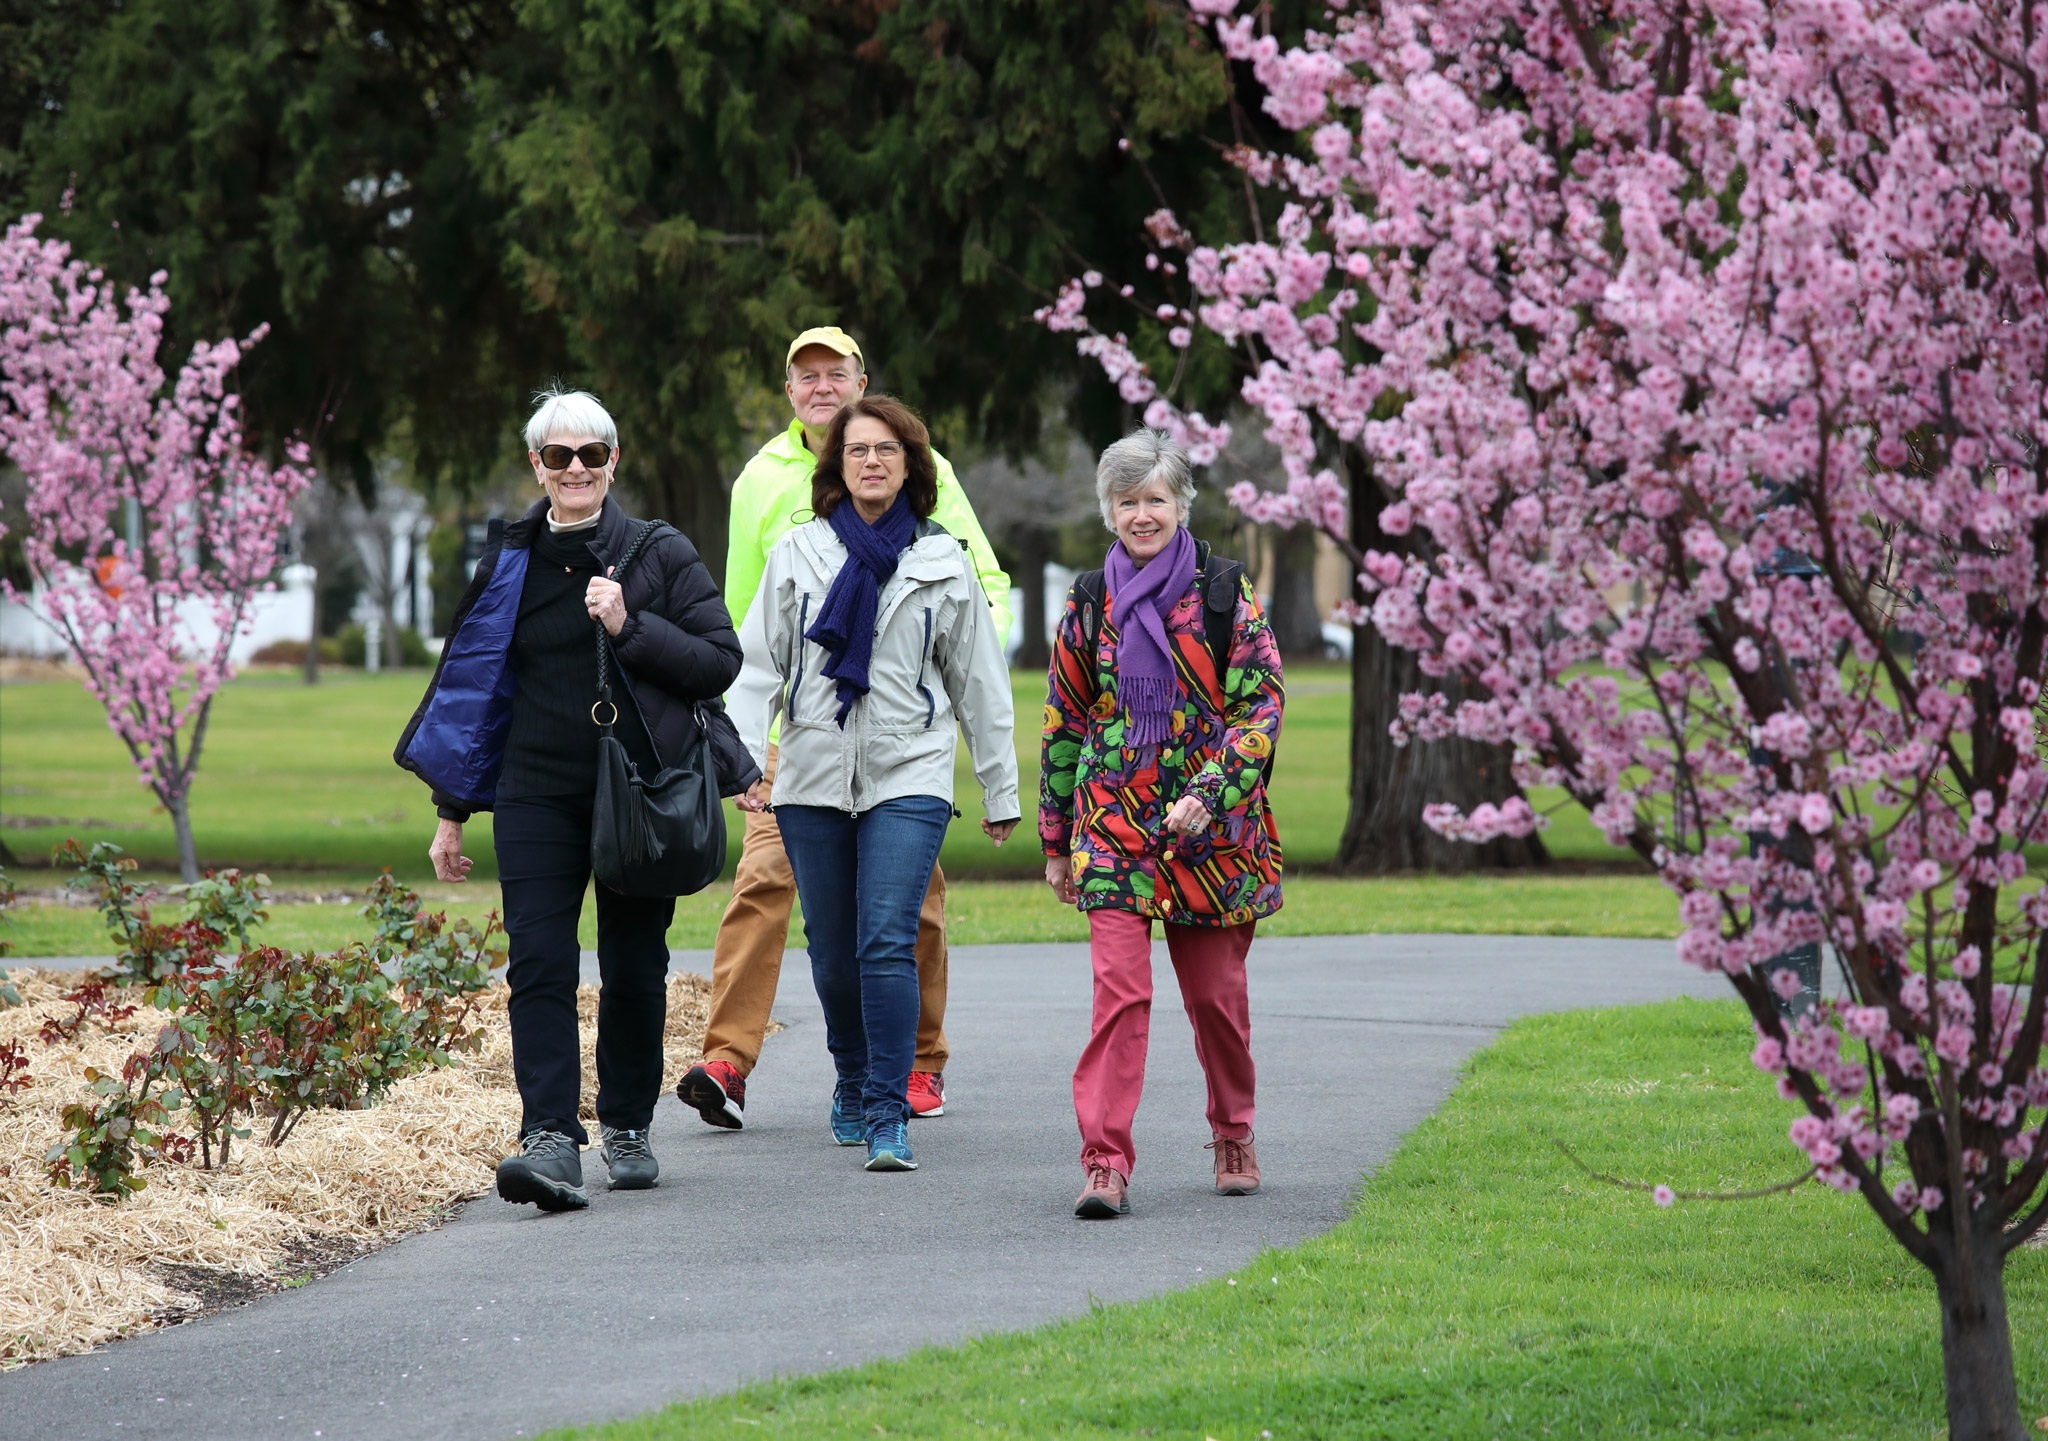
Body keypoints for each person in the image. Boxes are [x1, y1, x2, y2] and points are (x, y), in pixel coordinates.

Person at [395, 387, 755, 1212]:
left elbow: (718, 660)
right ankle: (551, 1137)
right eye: (558, 455)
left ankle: (627, 1123)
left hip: (637, 788)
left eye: (591, 454)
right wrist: (451, 810)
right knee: (540, 962)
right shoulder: (511, 558)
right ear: (537, 465)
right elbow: (476, 686)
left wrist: (629, 625)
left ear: (612, 461)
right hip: (535, 789)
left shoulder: (658, 551)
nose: (575, 468)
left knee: (633, 963)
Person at [674, 327, 1012, 1131]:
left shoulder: (921, 474)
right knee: (772, 892)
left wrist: (940, 685)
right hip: (802, 742)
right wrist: (746, 750)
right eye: (807, 376)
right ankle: (734, 1060)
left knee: (904, 912)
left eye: (836, 373)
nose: (821, 387)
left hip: (908, 743)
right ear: (790, 391)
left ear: (862, 383)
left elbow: (980, 591)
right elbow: (747, 627)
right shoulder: (762, 482)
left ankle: (915, 1066)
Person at [1039, 430, 1284, 1219]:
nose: (1141, 514)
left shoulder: (1224, 591)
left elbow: (1261, 706)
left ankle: (1233, 1131)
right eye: (1127, 500)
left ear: (1181, 504)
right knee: (1119, 997)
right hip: (1112, 828)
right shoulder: (1089, 600)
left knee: (1216, 1001)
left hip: (1210, 838)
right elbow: (1064, 718)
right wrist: (1056, 840)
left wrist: (1211, 792)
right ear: (1108, 510)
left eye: (1154, 498)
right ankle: (1105, 1160)